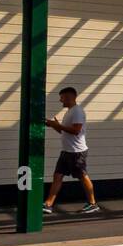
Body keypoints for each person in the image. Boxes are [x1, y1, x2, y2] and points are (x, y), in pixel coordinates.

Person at [42, 86, 99, 215]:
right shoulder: (69, 111)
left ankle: (93, 204)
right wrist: (53, 125)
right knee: (58, 176)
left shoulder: (77, 111)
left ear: (70, 97)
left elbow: (76, 131)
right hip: (67, 151)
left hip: (77, 152)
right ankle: (48, 204)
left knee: (83, 176)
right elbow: (64, 131)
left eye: (62, 98)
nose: (61, 101)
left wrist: (57, 125)